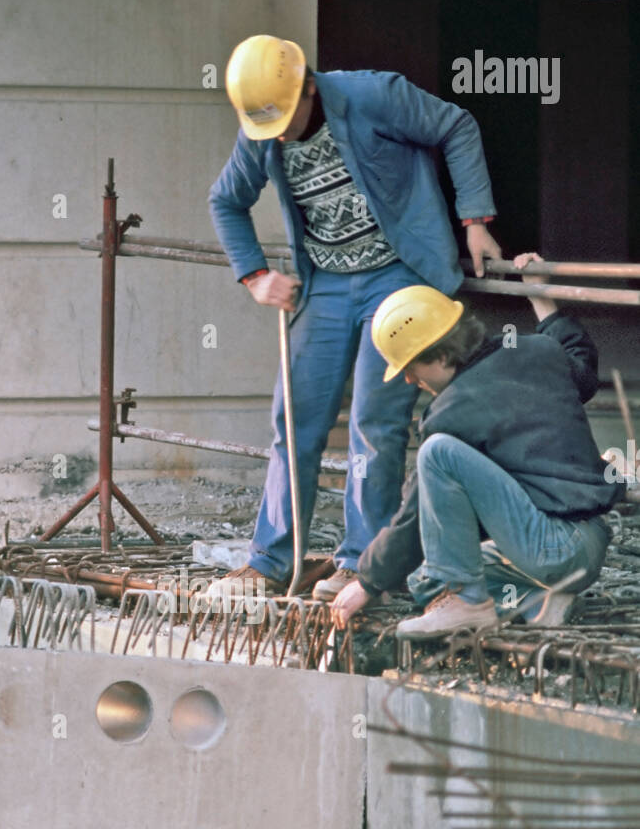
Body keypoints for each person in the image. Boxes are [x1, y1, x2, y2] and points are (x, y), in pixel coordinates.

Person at [208, 34, 500, 600]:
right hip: (325, 284)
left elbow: (456, 125)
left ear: (309, 90)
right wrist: (255, 276)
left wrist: (474, 220)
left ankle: (360, 566)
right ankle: (269, 562)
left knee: (375, 422)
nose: (279, 135)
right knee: (294, 420)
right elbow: (226, 200)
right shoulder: (262, 128)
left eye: (287, 120)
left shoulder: (374, 96)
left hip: (396, 274)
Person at [329, 254, 620, 637]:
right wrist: (541, 295)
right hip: (587, 545)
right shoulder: (537, 350)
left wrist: (366, 582)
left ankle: (469, 602)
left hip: (550, 547)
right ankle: (541, 600)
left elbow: (414, 516)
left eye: (411, 369)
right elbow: (582, 364)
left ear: (444, 355)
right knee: (424, 579)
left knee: (437, 454)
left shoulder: (448, 414)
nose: (409, 382)